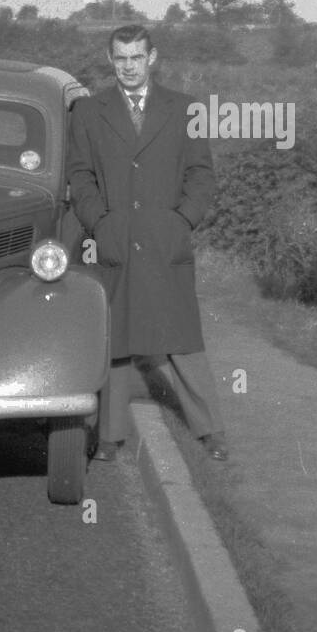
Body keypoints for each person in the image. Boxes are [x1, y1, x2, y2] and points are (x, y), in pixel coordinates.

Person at [67, 24, 227, 461]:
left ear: (152, 58)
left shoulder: (185, 109)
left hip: (165, 238)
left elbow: (201, 174)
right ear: (110, 59)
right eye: (121, 58)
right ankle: (111, 436)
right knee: (116, 340)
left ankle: (210, 431)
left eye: (137, 57)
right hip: (115, 238)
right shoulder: (88, 111)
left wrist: (182, 220)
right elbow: (79, 174)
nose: (129, 67)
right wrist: (99, 222)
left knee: (181, 336)